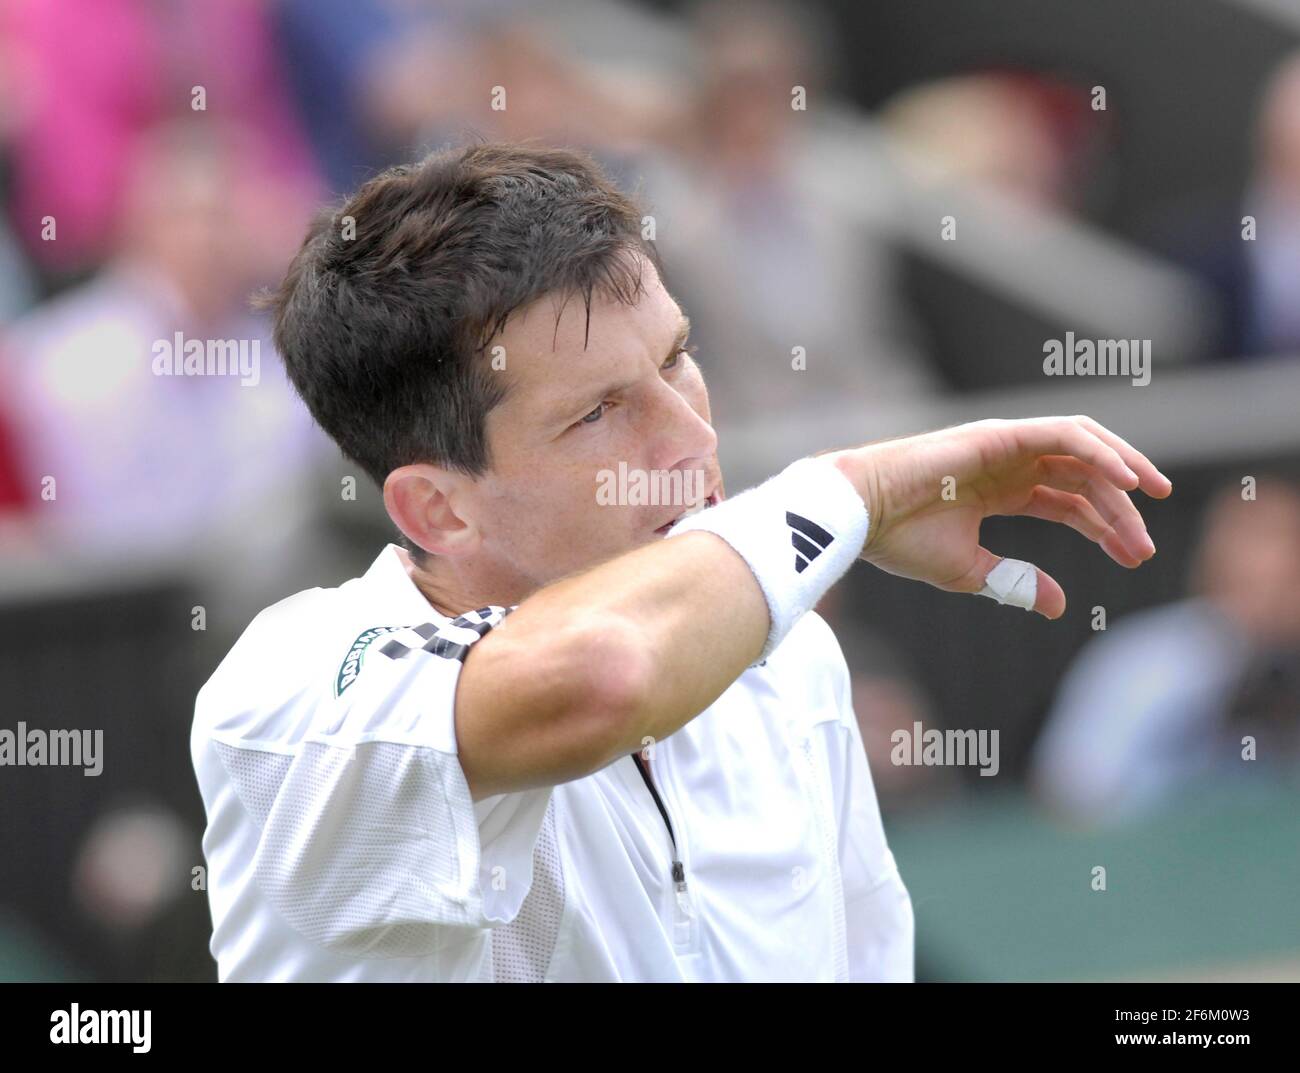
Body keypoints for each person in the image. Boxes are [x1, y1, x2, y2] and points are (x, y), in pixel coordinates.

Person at [190, 142, 1171, 983]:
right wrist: (848, 494)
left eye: (676, 358)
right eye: (597, 411)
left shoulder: (793, 668)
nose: (691, 435)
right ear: (437, 507)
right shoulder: (291, 692)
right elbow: (607, 674)